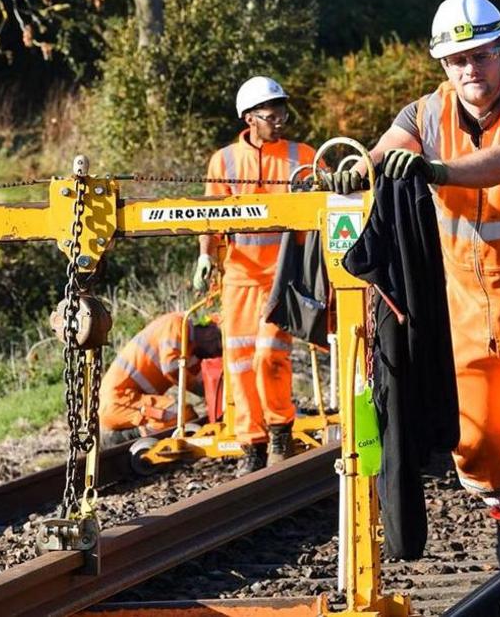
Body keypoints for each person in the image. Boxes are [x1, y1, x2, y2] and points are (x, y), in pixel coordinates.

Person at [328, 0, 500, 616]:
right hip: (470, 318)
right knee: (474, 446)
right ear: (444, 65)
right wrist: (356, 169)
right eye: (456, 60)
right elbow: (383, 150)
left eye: (480, 55)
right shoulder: (423, 113)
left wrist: (439, 170)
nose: (469, 69)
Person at [193, 76, 316, 476]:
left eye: (282, 111)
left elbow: (329, 204)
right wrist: (205, 254)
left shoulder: (304, 155)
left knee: (269, 357)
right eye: (270, 114)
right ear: (249, 119)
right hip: (240, 277)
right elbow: (211, 213)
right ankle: (252, 444)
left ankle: (280, 428)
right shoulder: (224, 161)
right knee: (240, 362)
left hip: (284, 276)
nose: (279, 119)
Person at [61, 308, 220, 444]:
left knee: (188, 417)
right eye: (219, 346)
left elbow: (201, 380)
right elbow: (171, 367)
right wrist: (207, 394)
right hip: (118, 401)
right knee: (183, 415)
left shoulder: (190, 348)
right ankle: (124, 438)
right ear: (211, 332)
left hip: (125, 399)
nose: (216, 353)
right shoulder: (177, 324)